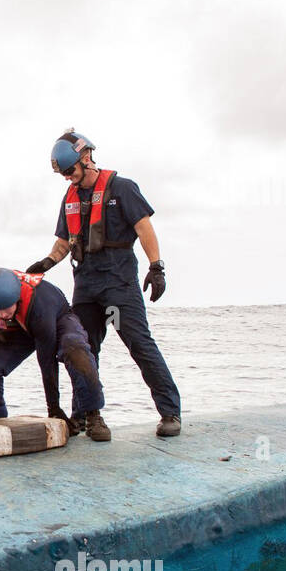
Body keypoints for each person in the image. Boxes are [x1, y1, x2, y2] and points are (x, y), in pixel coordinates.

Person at [26, 129, 182, 437]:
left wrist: (156, 267)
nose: (67, 177)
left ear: (86, 158)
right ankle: (83, 415)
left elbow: (144, 227)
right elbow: (63, 242)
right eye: (63, 173)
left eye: (70, 170)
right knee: (81, 349)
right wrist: (45, 264)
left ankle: (170, 413)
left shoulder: (122, 188)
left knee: (140, 345)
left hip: (119, 282)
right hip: (86, 284)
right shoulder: (70, 197)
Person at [0, 268, 110, 441]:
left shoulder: (39, 303)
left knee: (74, 348)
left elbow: (47, 360)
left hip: (57, 320)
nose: (1, 314)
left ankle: (93, 415)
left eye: (5, 308)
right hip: (20, 327)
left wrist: (53, 409)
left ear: (16, 297)